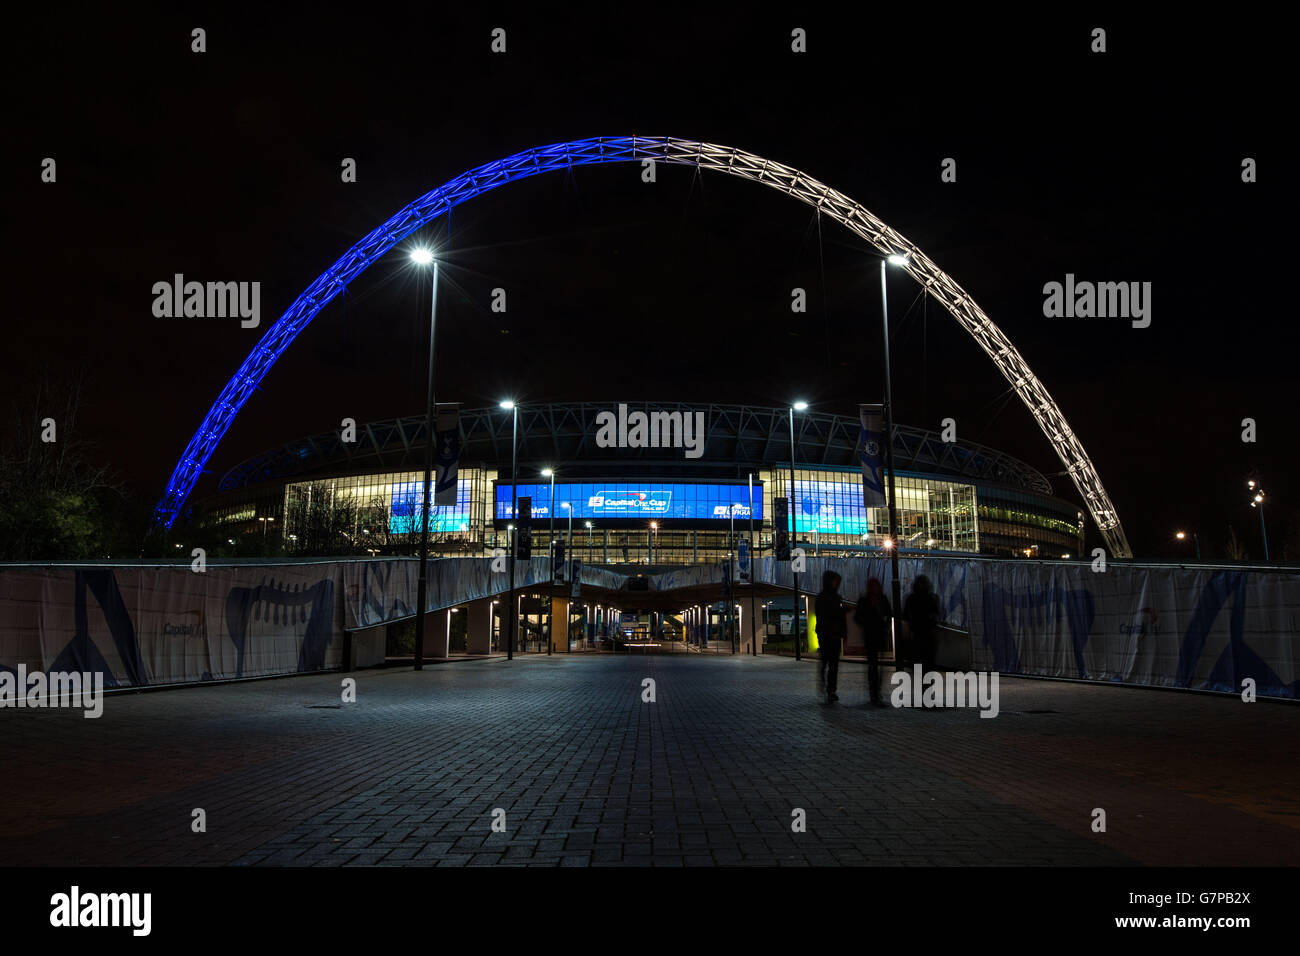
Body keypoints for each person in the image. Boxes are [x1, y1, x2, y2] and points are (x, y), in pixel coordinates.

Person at [854, 577, 892, 706]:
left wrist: (885, 626)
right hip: (871, 635)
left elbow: (889, 613)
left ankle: (876, 690)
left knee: (877, 665)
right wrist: (867, 623)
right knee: (873, 664)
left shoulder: (881, 599)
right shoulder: (865, 600)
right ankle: (874, 691)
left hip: (879, 634)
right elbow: (857, 617)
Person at [814, 569, 847, 702]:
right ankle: (827, 686)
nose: (837, 584)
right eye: (835, 581)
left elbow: (840, 616)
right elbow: (823, 616)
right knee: (828, 662)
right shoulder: (823, 597)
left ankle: (830, 689)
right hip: (827, 634)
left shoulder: (836, 597)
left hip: (833, 634)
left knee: (832, 664)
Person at [903, 575, 941, 673]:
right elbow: (936, 615)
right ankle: (926, 679)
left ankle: (921, 678)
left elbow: (906, 616)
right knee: (927, 659)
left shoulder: (912, 598)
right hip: (926, 632)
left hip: (918, 632)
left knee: (919, 658)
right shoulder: (931, 598)